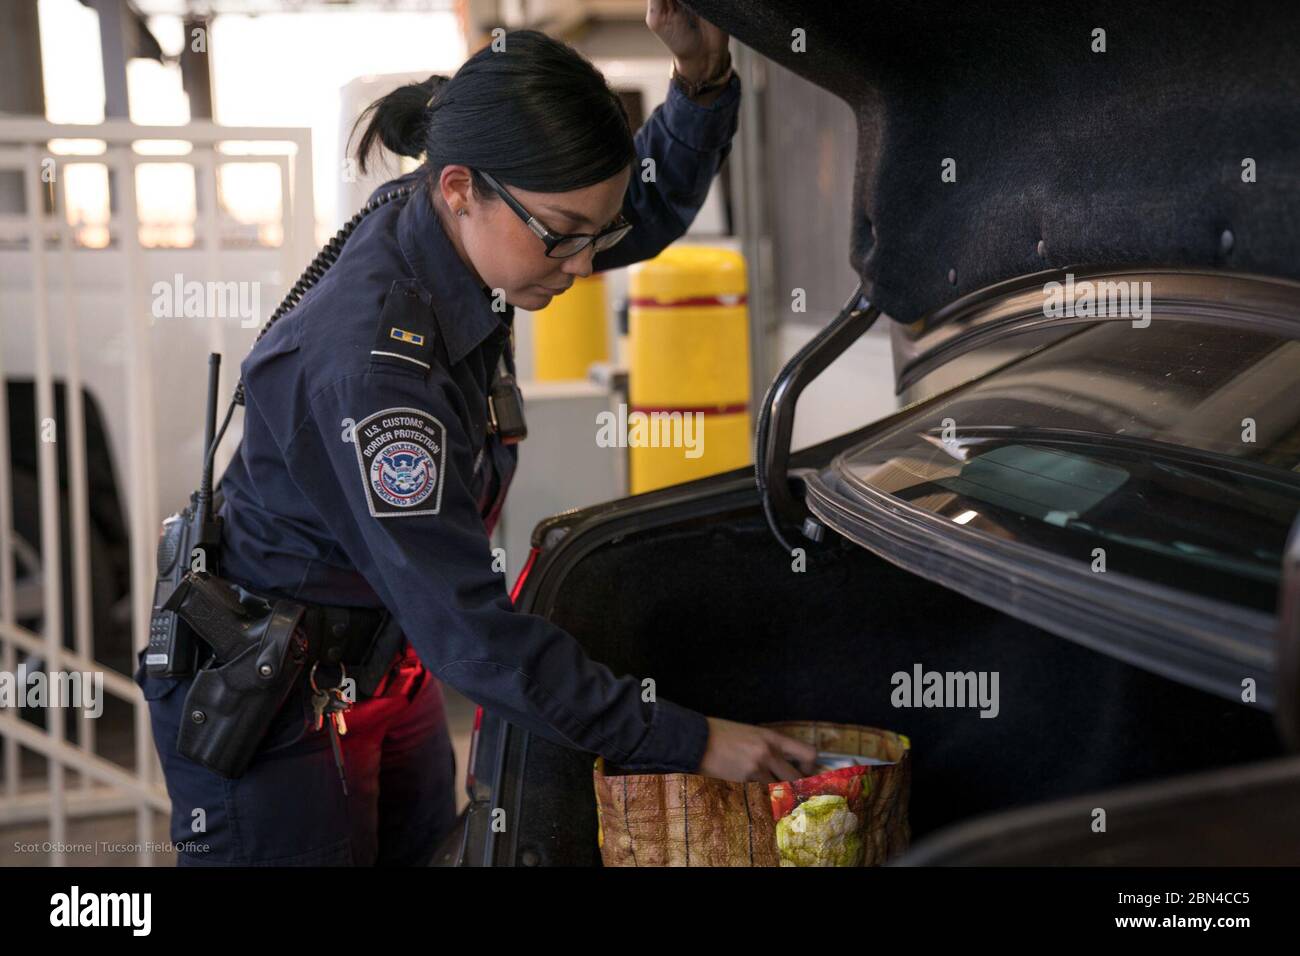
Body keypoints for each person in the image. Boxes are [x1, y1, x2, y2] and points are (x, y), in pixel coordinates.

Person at [136, 2, 816, 867]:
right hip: (278, 709)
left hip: (382, 664)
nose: (584, 267)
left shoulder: (472, 233)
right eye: (564, 240)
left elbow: (629, 209)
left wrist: (702, 82)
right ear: (459, 187)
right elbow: (474, 635)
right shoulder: (376, 373)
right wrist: (688, 739)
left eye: (593, 235)